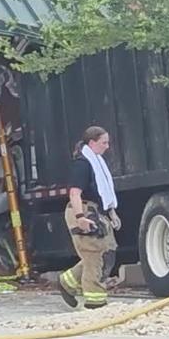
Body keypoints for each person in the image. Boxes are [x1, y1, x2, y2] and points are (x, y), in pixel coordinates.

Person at [57, 126, 121, 310]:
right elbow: (74, 193)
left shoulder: (97, 163)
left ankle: (67, 282)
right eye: (104, 142)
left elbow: (103, 192)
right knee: (95, 254)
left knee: (107, 251)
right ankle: (95, 302)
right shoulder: (83, 165)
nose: (107, 146)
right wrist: (80, 218)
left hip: (97, 211)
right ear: (92, 143)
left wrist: (111, 213)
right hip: (84, 210)